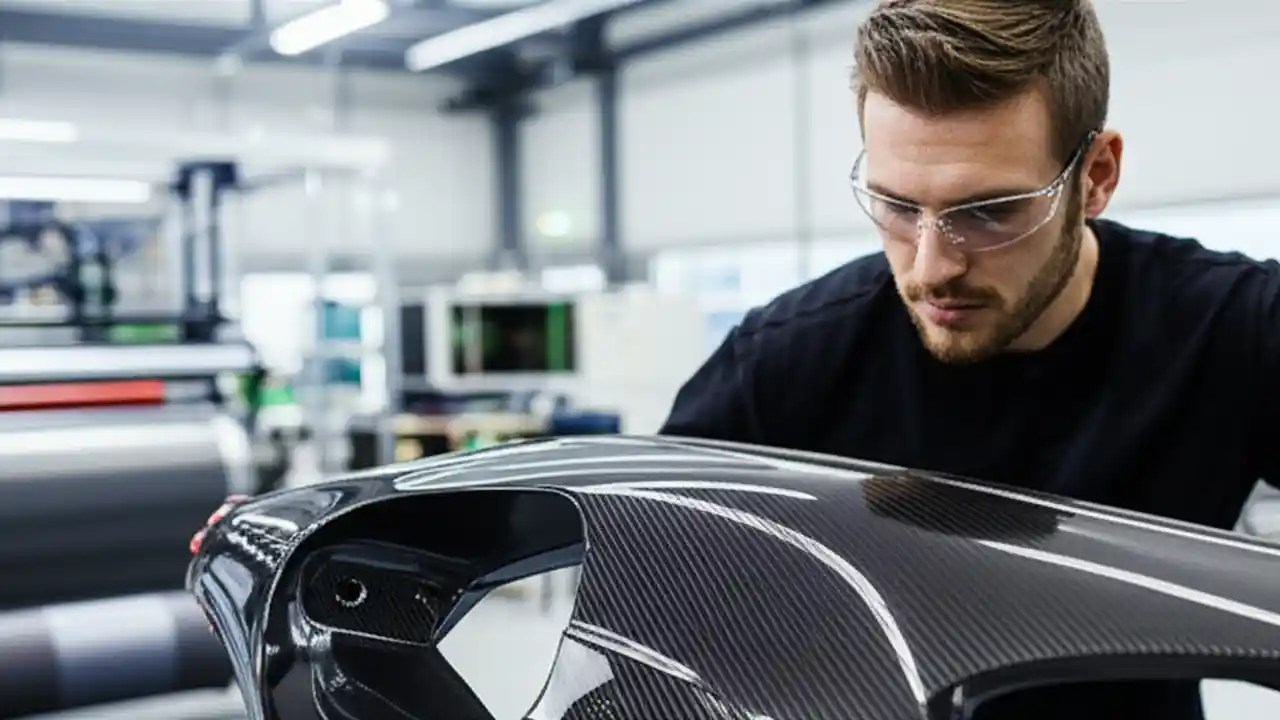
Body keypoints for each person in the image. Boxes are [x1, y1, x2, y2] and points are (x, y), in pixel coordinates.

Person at [659, 1, 1279, 718]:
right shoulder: (785, 365)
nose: (931, 267)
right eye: (895, 205)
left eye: (988, 212)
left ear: (1097, 176)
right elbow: (650, 612)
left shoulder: (1234, 330)